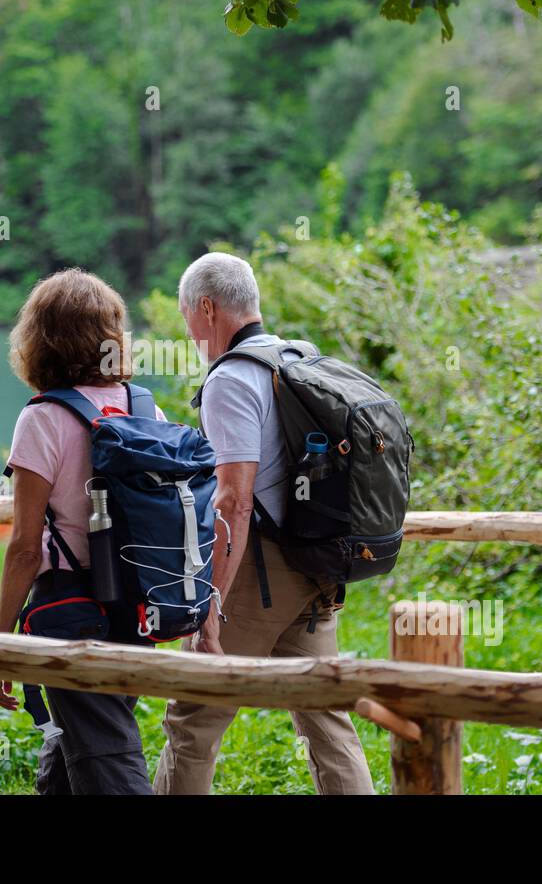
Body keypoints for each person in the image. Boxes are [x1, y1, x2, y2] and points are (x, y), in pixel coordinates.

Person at [153, 252, 376, 795]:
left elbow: (234, 502)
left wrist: (212, 603)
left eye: (187, 317)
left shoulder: (232, 379)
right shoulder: (297, 358)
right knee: (325, 714)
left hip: (259, 573)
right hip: (316, 565)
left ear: (205, 307)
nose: (189, 332)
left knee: (194, 716)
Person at [0, 268, 165, 794]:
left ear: (39, 339)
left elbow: (23, 548)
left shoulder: (43, 418)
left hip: (67, 609)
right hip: (135, 607)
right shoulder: (143, 406)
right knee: (75, 742)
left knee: (106, 755)